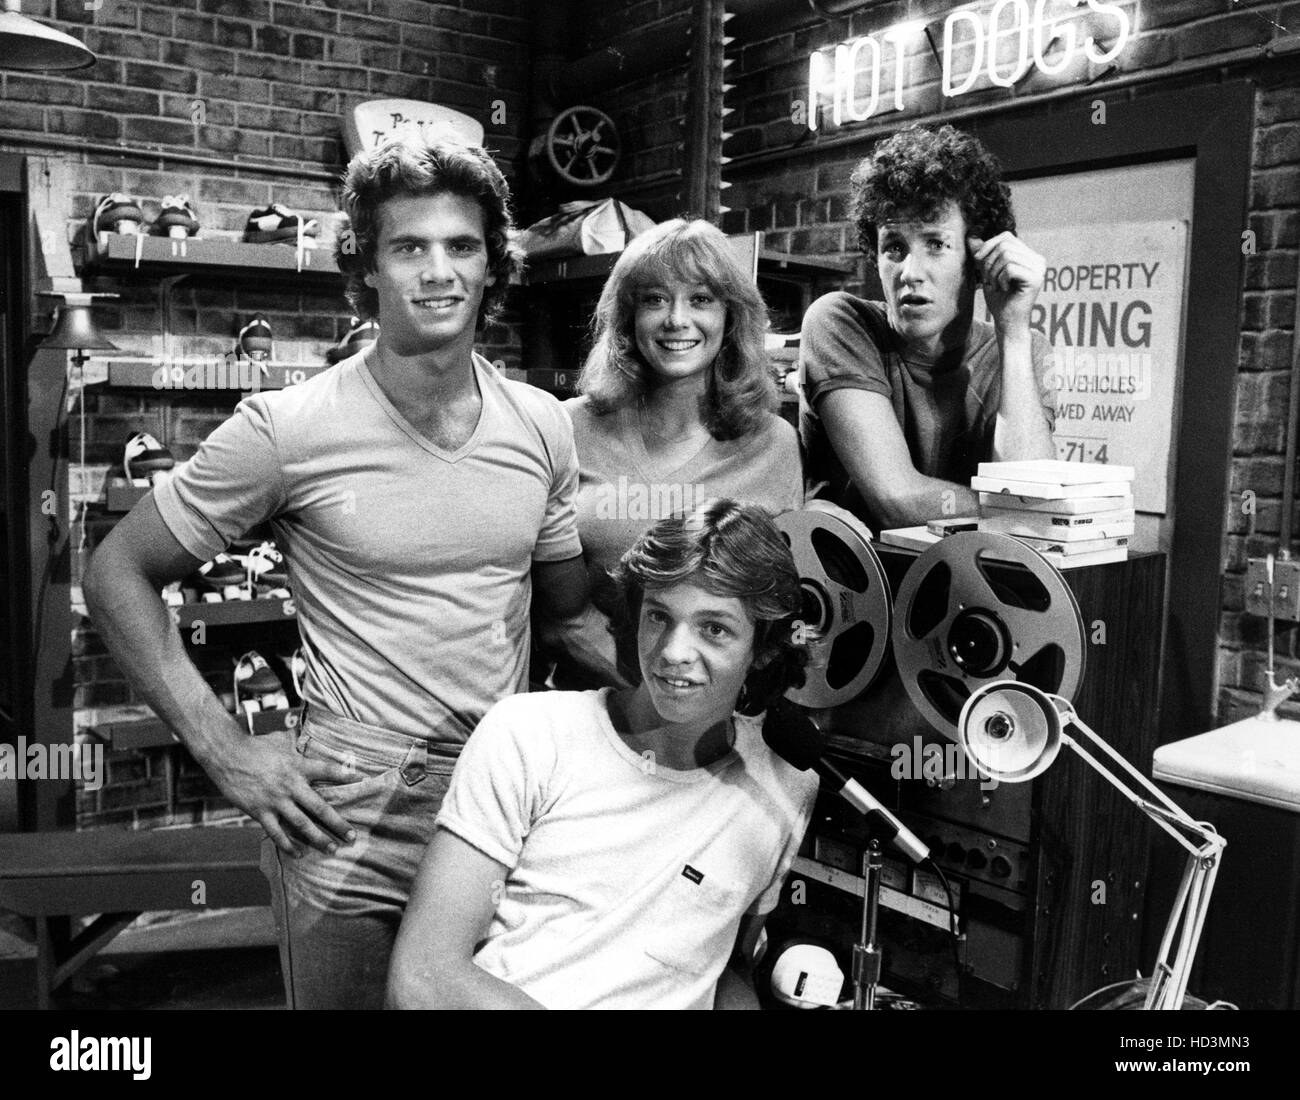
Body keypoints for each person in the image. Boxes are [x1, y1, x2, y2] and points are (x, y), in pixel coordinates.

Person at [83, 136, 608, 1009]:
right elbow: (117, 572)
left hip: (505, 795)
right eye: (408, 247)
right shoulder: (289, 428)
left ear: (492, 266)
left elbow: (568, 620)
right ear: (366, 268)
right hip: (355, 804)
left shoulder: (543, 426)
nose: (437, 272)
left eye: (461, 246)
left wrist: (693, 709)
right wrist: (229, 754)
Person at [387, 500, 821, 1009]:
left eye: (714, 628)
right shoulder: (529, 734)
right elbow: (422, 978)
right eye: (660, 616)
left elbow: (724, 968)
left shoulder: (785, 784)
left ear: (765, 647)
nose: (674, 652)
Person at [554, 218, 804, 686]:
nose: (676, 319)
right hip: (590, 705)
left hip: (715, 719)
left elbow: (777, 614)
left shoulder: (775, 442)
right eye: (654, 299)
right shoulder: (568, 427)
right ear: (628, 317)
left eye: (700, 299)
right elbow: (558, 616)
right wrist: (653, 693)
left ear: (731, 317)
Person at [799, 123, 1056, 533]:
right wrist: (1011, 511)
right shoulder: (840, 322)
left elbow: (1026, 487)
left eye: (936, 244)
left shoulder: (1023, 349)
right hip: (855, 589)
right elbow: (896, 500)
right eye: (894, 248)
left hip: (970, 586)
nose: (909, 272)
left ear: (979, 259)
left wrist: (1014, 331)